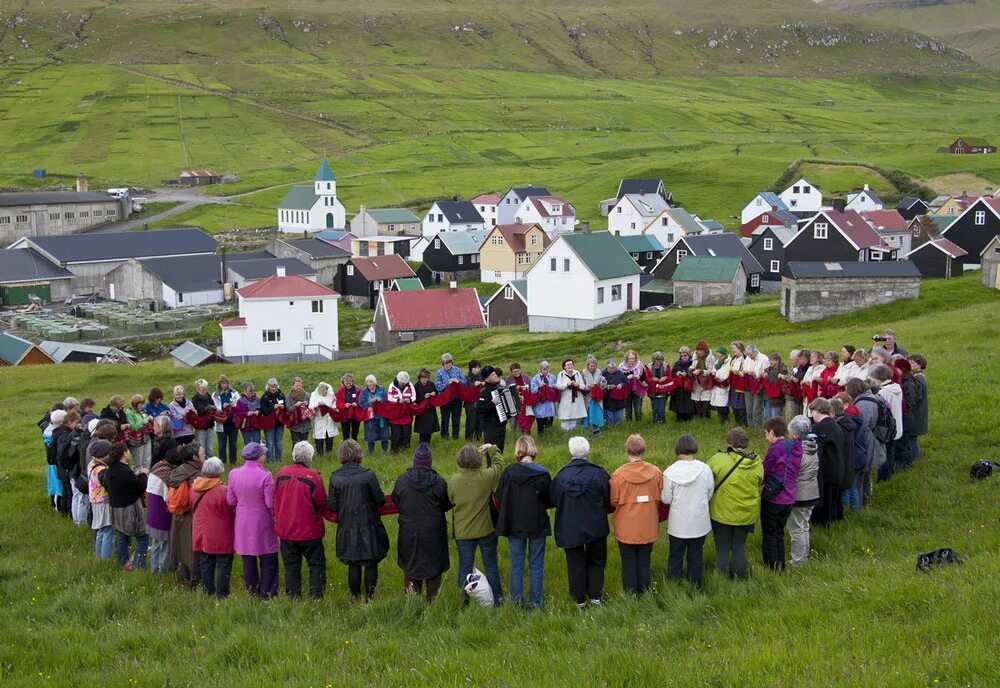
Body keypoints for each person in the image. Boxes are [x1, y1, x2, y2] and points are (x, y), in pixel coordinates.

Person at [550, 437, 610, 608]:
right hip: (595, 524)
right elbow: (608, 498)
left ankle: (579, 599)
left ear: (571, 453)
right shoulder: (599, 474)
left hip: (570, 526)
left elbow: (552, 499)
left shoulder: (561, 476)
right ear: (588, 452)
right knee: (597, 560)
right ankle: (595, 596)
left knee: (575, 562)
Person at [328, 439, 390, 600]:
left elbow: (332, 506)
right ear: (358, 453)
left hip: (348, 525)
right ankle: (369, 596)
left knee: (353, 562)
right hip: (369, 523)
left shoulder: (335, 477)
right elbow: (380, 499)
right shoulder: (367, 475)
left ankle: (355, 597)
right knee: (370, 561)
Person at [391, 443, 452, 600]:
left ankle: (413, 601)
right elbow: (446, 504)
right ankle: (429, 601)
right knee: (433, 565)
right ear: (429, 463)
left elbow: (396, 500)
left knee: (411, 565)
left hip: (409, 529)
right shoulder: (439, 482)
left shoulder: (402, 480)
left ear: (414, 461)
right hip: (433, 530)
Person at [496, 436, 551, 607]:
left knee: (517, 563)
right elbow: (549, 499)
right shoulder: (542, 473)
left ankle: (517, 601)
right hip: (537, 522)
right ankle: (536, 603)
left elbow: (498, 497)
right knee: (536, 563)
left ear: (518, 449)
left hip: (514, 522)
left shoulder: (509, 472)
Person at [448, 444, 506, 605]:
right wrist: (492, 449)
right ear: (477, 460)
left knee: (465, 567)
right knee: (491, 565)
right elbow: (500, 465)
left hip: (463, 532)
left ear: (459, 460)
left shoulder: (454, 481)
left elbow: (450, 500)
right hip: (486, 530)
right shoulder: (485, 477)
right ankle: (498, 599)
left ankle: (463, 601)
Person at [275, 442, 332, 599]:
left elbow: (275, 496)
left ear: (294, 455)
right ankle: (317, 595)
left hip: (286, 529)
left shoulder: (281, 473)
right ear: (310, 457)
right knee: (316, 564)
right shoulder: (313, 476)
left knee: (291, 565)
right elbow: (321, 501)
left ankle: (293, 595)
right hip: (309, 530)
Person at [706, 428, 763, 580]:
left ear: (729, 442)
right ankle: (740, 579)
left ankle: (722, 580)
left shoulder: (718, 459)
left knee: (722, 548)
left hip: (721, 512)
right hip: (746, 513)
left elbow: (707, 477)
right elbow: (760, 481)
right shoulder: (756, 462)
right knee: (739, 547)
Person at [610, 434, 663, 595]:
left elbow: (614, 501)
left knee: (628, 562)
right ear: (643, 450)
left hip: (626, 526)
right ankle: (645, 593)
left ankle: (630, 596)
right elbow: (660, 496)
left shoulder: (618, 475)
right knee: (644, 562)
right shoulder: (656, 472)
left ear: (627, 450)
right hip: (647, 525)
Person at [227, 442, 280, 599]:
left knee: (248, 557)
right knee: (268, 555)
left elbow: (230, 500)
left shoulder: (233, 474)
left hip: (242, 520)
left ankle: (252, 590)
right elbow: (270, 503)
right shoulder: (265, 475)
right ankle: (268, 592)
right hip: (262, 520)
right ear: (259, 456)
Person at [662, 435, 713, 589]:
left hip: (679, 522)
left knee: (675, 554)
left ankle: (674, 584)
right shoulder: (705, 469)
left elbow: (666, 498)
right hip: (699, 520)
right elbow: (710, 492)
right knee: (696, 555)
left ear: (677, 450)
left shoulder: (670, 472)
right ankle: (695, 585)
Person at [100, 442, 149, 570]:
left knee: (122, 535)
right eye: (127, 451)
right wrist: (144, 474)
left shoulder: (110, 470)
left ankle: (122, 561)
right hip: (130, 509)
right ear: (123, 454)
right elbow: (139, 486)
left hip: (116, 508)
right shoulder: (124, 471)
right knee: (142, 537)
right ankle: (139, 565)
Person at [760, 417, 801, 570]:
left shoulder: (775, 449)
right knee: (779, 532)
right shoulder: (795, 446)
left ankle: (771, 566)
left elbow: (765, 471)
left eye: (766, 433)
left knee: (769, 532)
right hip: (790, 496)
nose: (766, 437)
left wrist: (761, 465)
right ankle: (780, 564)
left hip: (774, 497)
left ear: (772, 432)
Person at [192, 457, 236, 598]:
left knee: (206, 562)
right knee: (223, 564)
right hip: (221, 533)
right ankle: (222, 593)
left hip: (202, 532)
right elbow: (230, 510)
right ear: (220, 471)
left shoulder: (194, 488)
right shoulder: (223, 491)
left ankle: (207, 591)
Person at [807, 398, 847, 527]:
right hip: (837, 467)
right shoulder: (835, 424)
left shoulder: (818, 428)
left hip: (826, 471)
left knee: (824, 502)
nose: (811, 415)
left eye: (812, 411)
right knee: (833, 500)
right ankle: (831, 523)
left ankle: (822, 526)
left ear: (818, 410)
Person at [169, 442, 205, 585]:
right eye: (202, 453)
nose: (205, 455)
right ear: (195, 457)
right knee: (193, 547)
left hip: (178, 514)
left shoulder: (178, 471)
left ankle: (185, 575)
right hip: (191, 515)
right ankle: (195, 578)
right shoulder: (196, 475)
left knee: (181, 544)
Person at [786, 416, 819, 566]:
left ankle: (798, 560)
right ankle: (804, 555)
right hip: (812, 492)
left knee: (796, 529)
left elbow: (790, 472)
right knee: (804, 526)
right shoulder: (812, 448)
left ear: (796, 435)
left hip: (800, 495)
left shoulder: (799, 452)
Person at [145, 427, 175, 574]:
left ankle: (153, 569)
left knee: (156, 544)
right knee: (164, 545)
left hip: (152, 515)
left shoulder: (157, 468)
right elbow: (169, 498)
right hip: (162, 516)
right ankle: (163, 571)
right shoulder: (167, 475)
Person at [871, 363, 903, 482]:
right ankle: (890, 473)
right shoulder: (896, 387)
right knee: (890, 451)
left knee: (885, 453)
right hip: (896, 425)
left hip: (887, 427)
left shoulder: (884, 392)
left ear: (878, 378)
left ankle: (884, 478)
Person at [87, 439, 114, 560]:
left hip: (95, 501)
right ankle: (105, 559)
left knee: (100, 531)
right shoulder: (102, 470)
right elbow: (109, 485)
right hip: (104, 502)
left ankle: (98, 556)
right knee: (108, 530)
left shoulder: (92, 464)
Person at [476, 366, 508, 452]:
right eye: (493, 374)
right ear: (487, 378)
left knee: (500, 453)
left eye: (495, 374)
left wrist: (517, 400)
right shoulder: (484, 392)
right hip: (490, 428)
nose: (496, 375)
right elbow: (479, 409)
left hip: (501, 426)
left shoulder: (500, 389)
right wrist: (492, 403)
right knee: (491, 454)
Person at [893, 358, 918, 472]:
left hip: (906, 416)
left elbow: (910, 402)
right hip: (903, 415)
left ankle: (905, 463)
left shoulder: (908, 384)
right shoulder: (902, 382)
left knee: (903, 441)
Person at [436, 353, 467, 440]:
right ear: (443, 364)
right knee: (445, 420)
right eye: (446, 363)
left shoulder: (457, 370)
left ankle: (455, 437)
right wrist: (447, 383)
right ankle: (444, 438)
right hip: (445, 400)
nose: (448, 364)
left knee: (456, 420)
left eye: (449, 362)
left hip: (457, 399)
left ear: (452, 362)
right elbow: (438, 387)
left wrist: (458, 381)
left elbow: (464, 381)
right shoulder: (439, 372)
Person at [386, 371, 416, 454]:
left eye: (404, 383)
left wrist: (409, 400)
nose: (403, 384)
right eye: (401, 383)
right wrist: (398, 400)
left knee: (407, 432)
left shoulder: (410, 385)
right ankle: (394, 451)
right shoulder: (391, 385)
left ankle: (406, 448)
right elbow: (389, 398)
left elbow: (414, 396)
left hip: (406, 414)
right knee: (395, 434)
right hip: (395, 414)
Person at [359, 375, 390, 455]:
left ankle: (385, 452)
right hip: (370, 417)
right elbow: (361, 404)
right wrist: (370, 402)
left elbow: (387, 401)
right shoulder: (364, 392)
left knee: (384, 435)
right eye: (367, 382)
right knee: (371, 436)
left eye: (371, 382)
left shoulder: (382, 389)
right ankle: (371, 453)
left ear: (375, 382)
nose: (369, 384)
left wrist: (381, 400)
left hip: (381, 416)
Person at [212, 375, 239, 466]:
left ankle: (233, 461)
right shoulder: (215, 394)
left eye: (225, 383)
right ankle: (222, 462)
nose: (224, 385)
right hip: (221, 422)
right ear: (219, 384)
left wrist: (232, 405)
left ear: (228, 383)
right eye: (222, 383)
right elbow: (215, 407)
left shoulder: (234, 392)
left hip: (232, 421)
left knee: (233, 443)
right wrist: (222, 407)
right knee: (222, 443)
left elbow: (238, 404)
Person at [309, 381, 339, 456]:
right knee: (319, 439)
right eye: (321, 392)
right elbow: (310, 406)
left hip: (329, 418)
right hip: (319, 419)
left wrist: (331, 407)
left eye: (324, 392)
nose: (323, 394)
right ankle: (320, 454)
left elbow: (334, 404)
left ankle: (329, 454)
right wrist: (318, 404)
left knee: (329, 438)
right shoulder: (314, 394)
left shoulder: (331, 393)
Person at [260, 378, 287, 463]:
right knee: (270, 444)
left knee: (279, 443)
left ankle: (279, 460)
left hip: (279, 423)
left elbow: (286, 410)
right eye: (272, 387)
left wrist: (283, 407)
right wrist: (273, 407)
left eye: (275, 386)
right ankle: (270, 461)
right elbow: (264, 411)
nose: (274, 388)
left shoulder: (281, 395)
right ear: (268, 387)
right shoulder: (264, 397)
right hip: (269, 424)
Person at [908, 354, 929, 461]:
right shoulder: (920, 377)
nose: (909, 364)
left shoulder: (918, 379)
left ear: (920, 365)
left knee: (912, 439)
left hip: (916, 413)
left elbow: (916, 398)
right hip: (918, 413)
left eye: (912, 363)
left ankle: (914, 459)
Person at [556, 359, 586, 431]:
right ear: (564, 367)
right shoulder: (561, 374)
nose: (570, 366)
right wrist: (567, 384)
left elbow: (583, 386)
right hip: (566, 399)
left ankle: (572, 433)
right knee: (565, 418)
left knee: (574, 418)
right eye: (568, 364)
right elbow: (558, 386)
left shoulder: (577, 373)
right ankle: (564, 434)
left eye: (571, 364)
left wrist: (577, 384)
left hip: (576, 399)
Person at [412, 369, 440, 444]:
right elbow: (415, 398)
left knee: (429, 427)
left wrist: (434, 393)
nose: (425, 380)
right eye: (423, 378)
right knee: (422, 428)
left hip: (430, 409)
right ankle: (422, 443)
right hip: (421, 410)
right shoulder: (416, 386)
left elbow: (436, 393)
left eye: (426, 378)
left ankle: (428, 442)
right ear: (420, 378)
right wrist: (424, 397)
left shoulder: (431, 384)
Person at [744, 345, 768, 429]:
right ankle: (751, 427)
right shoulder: (748, 358)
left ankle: (758, 428)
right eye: (748, 355)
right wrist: (746, 371)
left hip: (758, 386)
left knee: (756, 409)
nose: (750, 357)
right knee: (749, 409)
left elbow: (766, 372)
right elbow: (745, 367)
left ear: (755, 352)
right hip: (748, 385)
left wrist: (754, 373)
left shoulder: (764, 359)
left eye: (751, 355)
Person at [124, 394, 151, 470]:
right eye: (141, 404)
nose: (143, 406)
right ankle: (138, 478)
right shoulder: (130, 413)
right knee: (137, 463)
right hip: (136, 441)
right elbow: (133, 427)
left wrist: (149, 418)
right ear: (135, 405)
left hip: (146, 438)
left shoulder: (143, 411)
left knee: (147, 461)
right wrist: (142, 422)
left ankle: (146, 478)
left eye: (143, 404)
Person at [670, 346, 696, 422]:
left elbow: (694, 374)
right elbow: (672, 374)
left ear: (689, 354)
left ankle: (690, 416)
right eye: (681, 355)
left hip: (689, 386)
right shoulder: (677, 363)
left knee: (689, 402)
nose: (683, 357)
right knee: (679, 401)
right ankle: (680, 416)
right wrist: (677, 373)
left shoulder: (693, 363)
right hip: (679, 387)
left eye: (685, 355)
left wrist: (687, 374)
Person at [581, 355, 606, 435]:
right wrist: (588, 386)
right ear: (587, 365)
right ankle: (587, 429)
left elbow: (602, 386)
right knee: (588, 412)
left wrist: (603, 382)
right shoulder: (583, 373)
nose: (593, 368)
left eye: (594, 366)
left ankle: (596, 429)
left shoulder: (599, 372)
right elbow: (581, 385)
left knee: (597, 412)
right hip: (588, 397)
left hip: (597, 397)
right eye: (591, 366)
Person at [530, 361, 556, 435]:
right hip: (540, 404)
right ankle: (541, 437)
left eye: (547, 369)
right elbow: (532, 390)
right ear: (541, 369)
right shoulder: (535, 378)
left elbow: (555, 389)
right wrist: (539, 386)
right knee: (540, 424)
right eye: (544, 369)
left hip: (549, 404)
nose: (546, 371)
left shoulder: (553, 377)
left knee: (549, 423)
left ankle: (549, 437)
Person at [618, 350, 645, 422]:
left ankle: (639, 424)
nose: (632, 360)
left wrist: (640, 377)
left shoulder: (640, 365)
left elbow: (644, 377)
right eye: (630, 358)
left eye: (633, 358)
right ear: (627, 358)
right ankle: (629, 425)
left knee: (638, 409)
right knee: (628, 410)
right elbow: (619, 378)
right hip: (627, 391)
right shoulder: (621, 366)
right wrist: (626, 378)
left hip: (637, 390)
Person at [690, 341, 715, 420]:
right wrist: (691, 369)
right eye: (698, 350)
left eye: (701, 350)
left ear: (705, 350)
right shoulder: (695, 356)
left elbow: (710, 371)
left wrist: (701, 371)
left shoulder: (710, 358)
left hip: (706, 381)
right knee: (697, 399)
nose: (699, 352)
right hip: (697, 381)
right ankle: (699, 416)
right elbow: (693, 365)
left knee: (706, 399)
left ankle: (706, 417)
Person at [727, 341, 749, 426]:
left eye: (734, 348)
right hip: (733, 384)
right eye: (732, 348)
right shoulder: (733, 359)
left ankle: (744, 423)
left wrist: (738, 373)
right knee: (734, 404)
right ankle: (737, 422)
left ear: (740, 349)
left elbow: (746, 372)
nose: (733, 350)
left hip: (740, 385)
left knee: (741, 405)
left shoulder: (745, 359)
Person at [191, 379, 216, 455]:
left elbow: (214, 406)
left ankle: (210, 464)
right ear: (198, 389)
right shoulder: (195, 399)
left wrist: (213, 408)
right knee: (201, 447)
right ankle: (201, 464)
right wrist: (207, 408)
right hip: (200, 427)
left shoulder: (209, 397)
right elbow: (199, 412)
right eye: (202, 389)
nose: (204, 390)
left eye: (205, 388)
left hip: (210, 425)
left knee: (209, 448)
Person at [286, 376, 312, 447]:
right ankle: (296, 458)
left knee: (304, 444)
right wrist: (295, 405)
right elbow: (288, 409)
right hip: (294, 424)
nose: (298, 387)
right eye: (296, 385)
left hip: (305, 424)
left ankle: (305, 457)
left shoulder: (306, 395)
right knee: (295, 444)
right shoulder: (288, 396)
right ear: (292, 385)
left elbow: (312, 408)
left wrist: (308, 404)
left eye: (300, 385)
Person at [645, 352, 670, 424]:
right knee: (655, 408)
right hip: (653, 391)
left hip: (663, 390)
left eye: (660, 360)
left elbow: (670, 377)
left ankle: (662, 422)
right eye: (657, 360)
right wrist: (652, 379)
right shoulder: (649, 367)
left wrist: (665, 377)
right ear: (653, 360)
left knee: (661, 409)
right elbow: (647, 379)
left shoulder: (666, 366)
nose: (659, 362)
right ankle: (655, 422)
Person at [601, 358, 627, 427]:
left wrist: (621, 385)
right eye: (610, 368)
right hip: (608, 398)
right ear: (607, 367)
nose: (612, 370)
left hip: (619, 398)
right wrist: (608, 386)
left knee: (618, 416)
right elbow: (600, 386)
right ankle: (610, 427)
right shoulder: (603, 374)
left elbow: (625, 382)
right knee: (609, 416)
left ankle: (618, 428)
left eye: (613, 368)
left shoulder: (619, 373)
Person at [234, 382, 262, 447]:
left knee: (257, 445)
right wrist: (246, 413)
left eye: (252, 393)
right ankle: (249, 457)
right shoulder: (240, 401)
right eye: (249, 393)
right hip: (245, 426)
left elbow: (260, 409)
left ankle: (257, 457)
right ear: (245, 392)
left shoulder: (257, 399)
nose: (250, 395)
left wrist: (258, 412)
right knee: (248, 445)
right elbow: (237, 413)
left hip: (256, 425)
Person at [336, 374, 362, 442]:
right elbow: (338, 404)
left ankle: (355, 449)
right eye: (346, 383)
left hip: (355, 414)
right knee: (345, 436)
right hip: (344, 415)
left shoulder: (358, 389)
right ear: (343, 382)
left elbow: (362, 400)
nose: (348, 385)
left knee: (354, 435)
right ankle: (345, 449)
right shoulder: (340, 390)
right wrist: (344, 405)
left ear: (353, 381)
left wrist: (357, 404)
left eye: (350, 383)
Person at [464, 360, 485, 441]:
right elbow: (465, 388)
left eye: (478, 367)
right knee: (471, 423)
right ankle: (468, 439)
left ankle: (478, 439)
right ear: (471, 369)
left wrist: (484, 384)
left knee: (480, 423)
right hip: (470, 404)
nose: (477, 369)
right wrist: (473, 385)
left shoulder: (482, 377)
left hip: (481, 403)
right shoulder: (467, 378)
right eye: (475, 368)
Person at [710, 347, 731, 424]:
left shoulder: (728, 362)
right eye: (718, 356)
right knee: (718, 404)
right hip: (717, 384)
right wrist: (713, 373)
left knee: (723, 404)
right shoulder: (717, 362)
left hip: (723, 385)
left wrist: (716, 374)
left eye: (721, 356)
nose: (719, 357)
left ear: (725, 355)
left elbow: (726, 374)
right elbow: (714, 370)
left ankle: (725, 419)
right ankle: (721, 419)